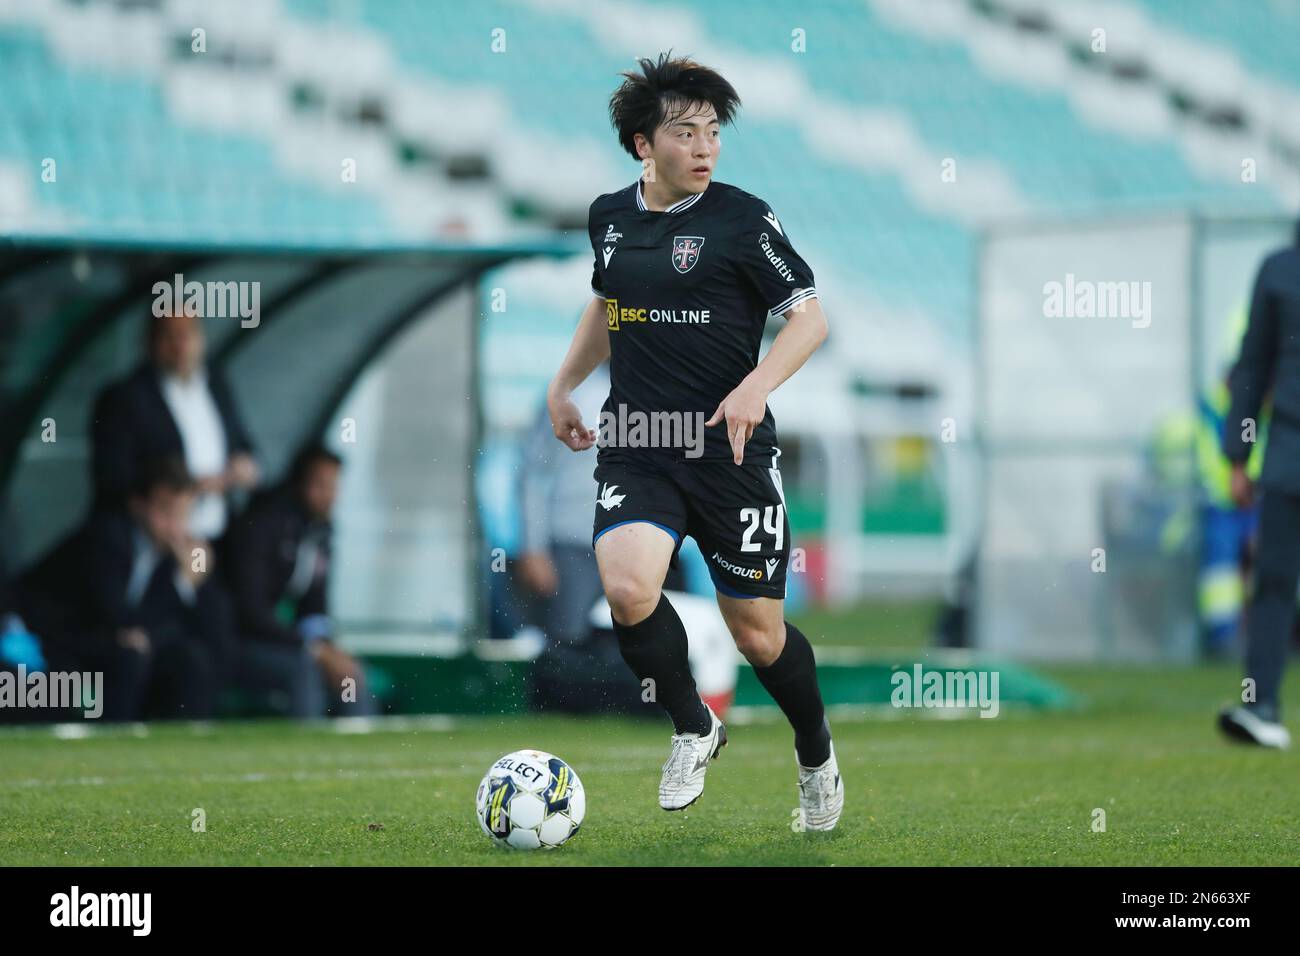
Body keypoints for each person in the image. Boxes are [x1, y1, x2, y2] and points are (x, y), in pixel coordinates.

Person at [544, 52, 841, 827]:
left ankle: (814, 748)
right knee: (628, 587)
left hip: (730, 453)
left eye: (714, 132)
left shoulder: (743, 218)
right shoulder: (609, 218)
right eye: (686, 132)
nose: (705, 147)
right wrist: (562, 385)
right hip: (639, 439)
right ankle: (691, 724)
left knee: (759, 635)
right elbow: (606, 305)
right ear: (644, 144)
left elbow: (809, 320)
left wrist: (755, 386)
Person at [18, 457, 229, 721]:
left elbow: (197, 623)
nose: (176, 525)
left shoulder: (176, 551)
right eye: (166, 512)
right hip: (53, 636)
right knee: (129, 658)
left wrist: (194, 579)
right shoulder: (107, 538)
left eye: (183, 514)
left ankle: (182, 743)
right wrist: (182, 583)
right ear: (138, 505)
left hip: (113, 639)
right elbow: (116, 618)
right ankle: (113, 740)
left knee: (191, 659)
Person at [1217, 219, 1300, 749]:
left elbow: (1253, 365)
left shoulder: (1278, 269)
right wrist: (1238, 456)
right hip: (1290, 452)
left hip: (1289, 451)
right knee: (1273, 580)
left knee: (1271, 584)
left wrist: (1239, 456)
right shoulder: (1278, 269)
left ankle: (1260, 703)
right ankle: (1260, 704)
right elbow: (1252, 366)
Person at [226, 445, 374, 717]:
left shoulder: (321, 532)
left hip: (290, 643)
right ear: (299, 485)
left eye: (334, 486)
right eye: (321, 485)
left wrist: (328, 648)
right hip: (237, 643)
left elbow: (315, 607)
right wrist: (315, 651)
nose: (331, 496)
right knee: (304, 669)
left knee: (350, 671)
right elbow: (251, 612)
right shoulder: (261, 525)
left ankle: (361, 752)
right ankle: (307, 753)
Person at [92, 307, 260, 540]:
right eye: (169, 335)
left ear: (201, 339)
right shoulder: (125, 397)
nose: (180, 345)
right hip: (157, 541)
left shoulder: (215, 383)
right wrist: (189, 487)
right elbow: (114, 479)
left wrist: (243, 466)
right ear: (150, 342)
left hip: (215, 533)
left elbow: (242, 442)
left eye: (187, 334)